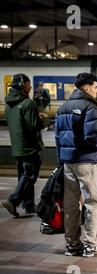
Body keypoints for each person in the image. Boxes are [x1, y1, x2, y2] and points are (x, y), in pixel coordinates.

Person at [55, 73, 97, 258]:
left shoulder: (63, 108)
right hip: (86, 160)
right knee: (93, 202)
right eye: (96, 86)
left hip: (68, 162)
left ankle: (72, 244)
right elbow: (94, 137)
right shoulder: (90, 107)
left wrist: (62, 158)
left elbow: (58, 138)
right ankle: (91, 243)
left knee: (71, 204)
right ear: (86, 87)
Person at [2, 74, 44, 217]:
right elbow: (34, 126)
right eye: (28, 83)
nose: (30, 86)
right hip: (29, 146)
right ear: (22, 85)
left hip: (17, 146)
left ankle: (29, 204)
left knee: (23, 176)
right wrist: (42, 120)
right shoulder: (28, 103)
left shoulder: (8, 105)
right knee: (30, 175)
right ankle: (13, 201)